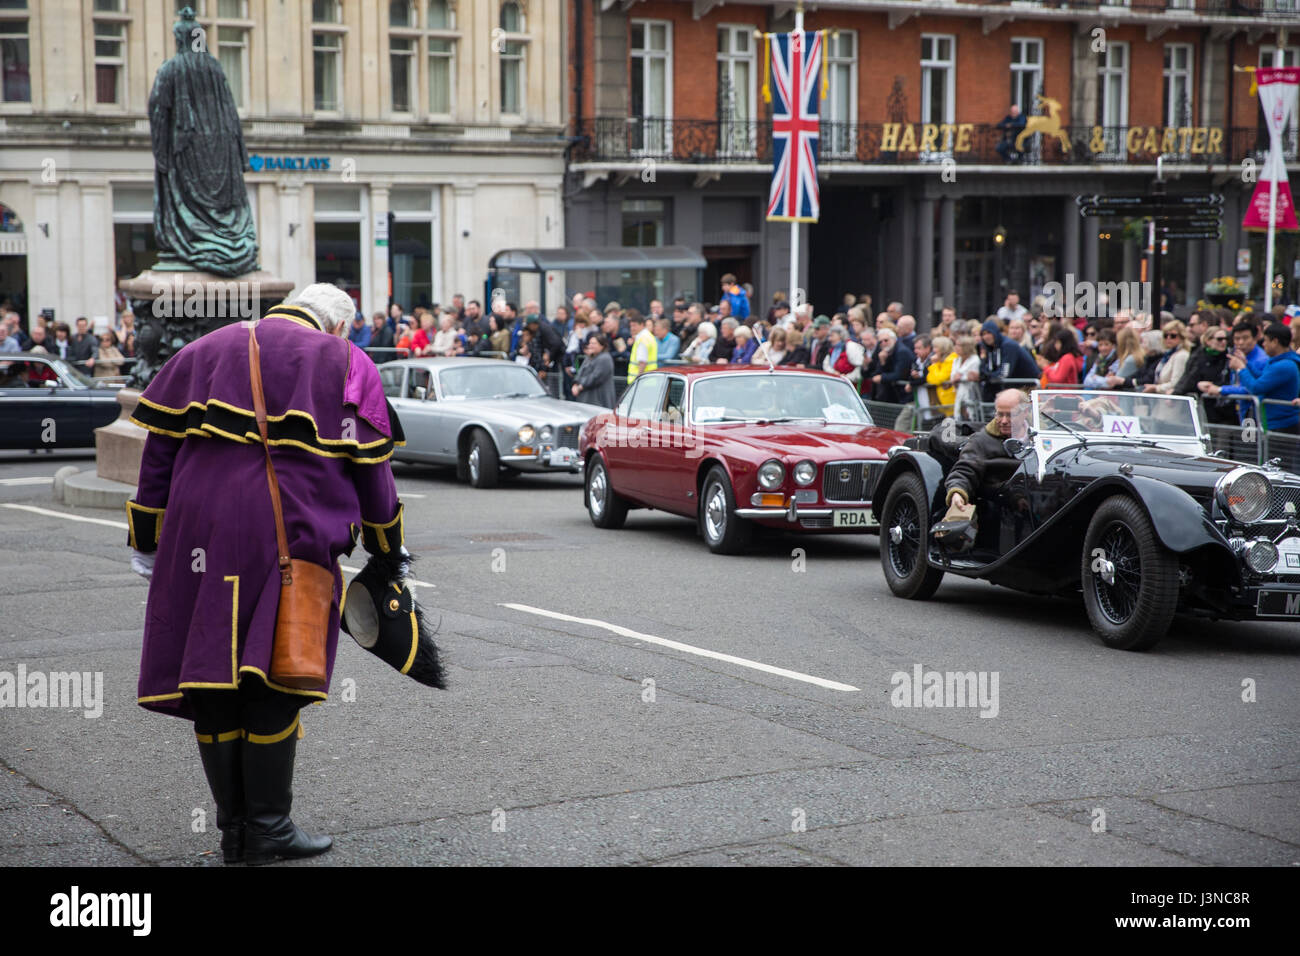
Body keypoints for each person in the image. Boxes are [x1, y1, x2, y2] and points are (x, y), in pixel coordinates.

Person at [125, 283, 434, 865]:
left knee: (212, 679)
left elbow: (158, 454)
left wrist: (145, 540)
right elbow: (373, 471)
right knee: (276, 675)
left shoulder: (202, 350)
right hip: (287, 536)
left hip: (198, 539)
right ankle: (268, 829)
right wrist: (388, 551)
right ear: (338, 326)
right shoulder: (345, 360)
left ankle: (233, 832)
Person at [1202, 323, 1300, 439]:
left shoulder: (1284, 365)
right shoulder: (1276, 361)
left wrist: (1241, 369)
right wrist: (1246, 364)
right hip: (1268, 422)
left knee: (1271, 455)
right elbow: (1263, 377)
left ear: (1275, 342)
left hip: (1282, 424)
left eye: (1266, 341)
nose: (1263, 344)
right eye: (1237, 338)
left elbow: (1256, 388)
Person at [944, 389, 1028, 512]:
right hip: (999, 509)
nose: (1004, 421)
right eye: (1000, 414)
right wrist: (957, 492)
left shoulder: (1041, 437)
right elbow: (965, 468)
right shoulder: (981, 440)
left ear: (1025, 412)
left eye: (1010, 415)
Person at [978, 318, 1039, 400]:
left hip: (1027, 388)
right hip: (1014, 388)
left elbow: (1004, 374)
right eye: (983, 334)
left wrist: (988, 376)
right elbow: (987, 372)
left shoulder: (1008, 345)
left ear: (995, 333)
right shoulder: (990, 348)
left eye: (989, 333)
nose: (986, 336)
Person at [1143, 320, 1191, 395]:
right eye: (1165, 335)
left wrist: (1156, 388)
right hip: (1162, 399)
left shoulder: (1181, 355)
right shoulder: (1168, 355)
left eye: (1173, 336)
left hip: (1172, 401)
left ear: (1182, 337)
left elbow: (1176, 383)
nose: (1168, 338)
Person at [571, 333, 616, 407]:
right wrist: (575, 383)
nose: (591, 345)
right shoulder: (589, 357)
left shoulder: (605, 358)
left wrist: (579, 387)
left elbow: (595, 377)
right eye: (590, 343)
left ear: (602, 345)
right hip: (586, 398)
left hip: (599, 400)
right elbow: (580, 372)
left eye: (594, 343)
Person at [950, 335, 982, 421]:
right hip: (959, 391)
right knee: (958, 416)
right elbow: (953, 376)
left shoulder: (975, 359)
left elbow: (972, 376)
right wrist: (958, 378)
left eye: (959, 345)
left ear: (967, 347)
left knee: (971, 416)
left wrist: (959, 378)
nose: (956, 347)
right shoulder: (956, 360)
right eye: (955, 344)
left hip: (971, 392)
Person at [626, 310, 658, 382]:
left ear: (642, 325)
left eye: (634, 325)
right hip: (650, 379)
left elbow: (642, 362)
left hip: (641, 381)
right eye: (631, 326)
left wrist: (637, 379)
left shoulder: (642, 339)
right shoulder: (649, 336)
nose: (632, 328)